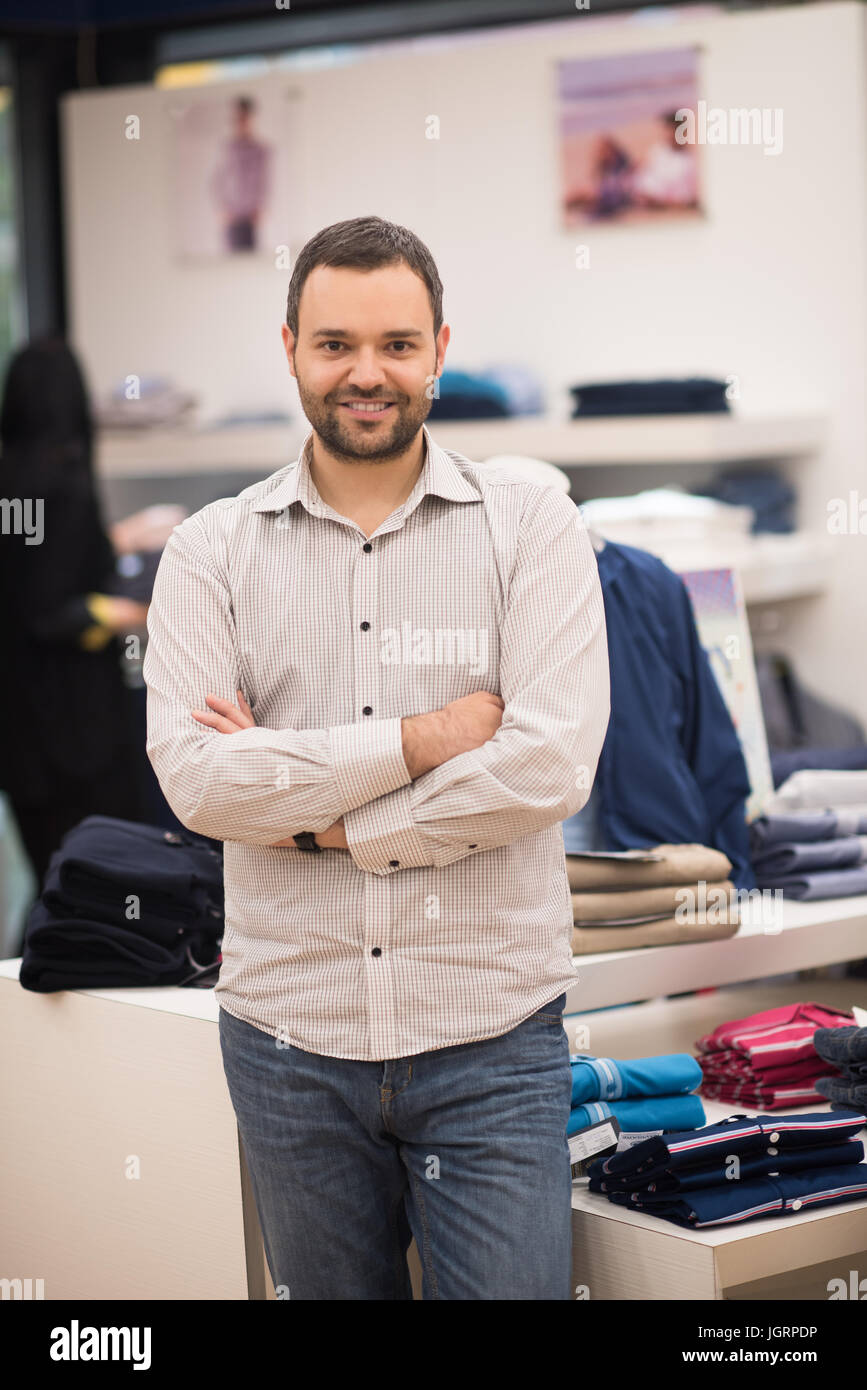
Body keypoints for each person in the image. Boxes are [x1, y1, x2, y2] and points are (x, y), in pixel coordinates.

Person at [143, 216, 611, 1300]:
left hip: (491, 1039)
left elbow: (547, 765)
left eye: (398, 344)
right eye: (336, 343)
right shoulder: (211, 551)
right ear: (291, 348)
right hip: (288, 1044)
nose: (367, 372)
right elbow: (201, 781)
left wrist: (332, 818)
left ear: (442, 349)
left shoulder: (530, 524)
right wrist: (426, 738)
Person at [0, 337, 151, 885]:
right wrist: (147, 614)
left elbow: (31, 574)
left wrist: (115, 539)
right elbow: (57, 613)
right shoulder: (64, 484)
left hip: (19, 731)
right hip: (75, 731)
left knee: (53, 883)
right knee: (107, 884)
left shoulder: (12, 482)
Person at [209, 95, 272, 253]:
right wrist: (221, 208)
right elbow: (217, 180)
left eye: (244, 117)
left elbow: (263, 181)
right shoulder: (225, 149)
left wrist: (260, 206)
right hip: (232, 216)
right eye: (238, 118)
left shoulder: (260, 150)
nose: (241, 121)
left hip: (251, 216)